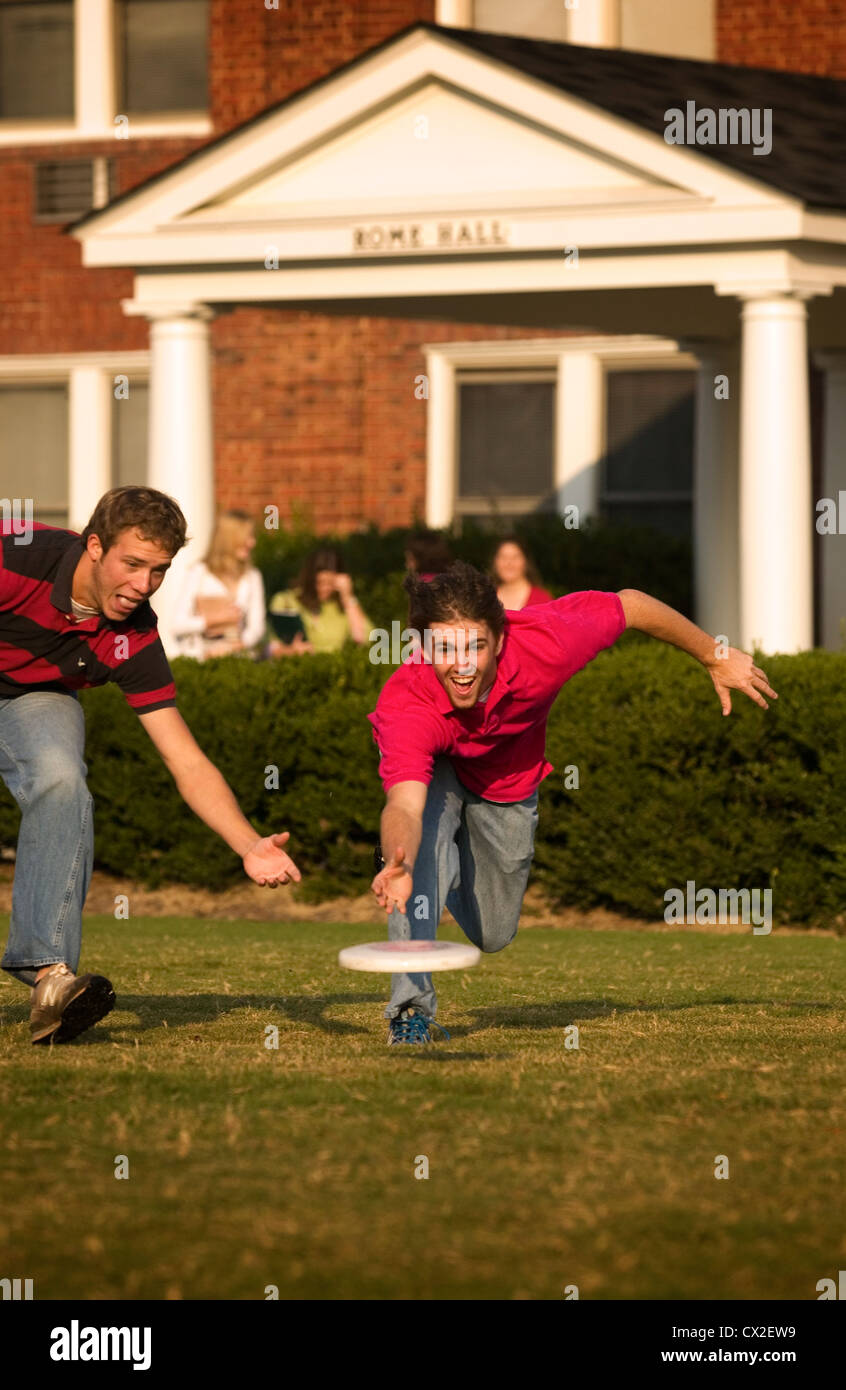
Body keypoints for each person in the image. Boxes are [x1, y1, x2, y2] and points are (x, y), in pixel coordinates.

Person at [368, 561, 777, 1045]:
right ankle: (410, 1013)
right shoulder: (407, 705)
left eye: (476, 646)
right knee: (416, 861)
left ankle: (446, 871)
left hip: (506, 783)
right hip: (439, 768)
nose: (462, 665)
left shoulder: (549, 641)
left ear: (499, 640)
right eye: (445, 649)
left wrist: (713, 653)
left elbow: (633, 605)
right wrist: (398, 860)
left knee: (495, 933)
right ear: (423, 646)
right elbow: (405, 807)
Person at [0, 486, 300, 1047]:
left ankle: (48, 980)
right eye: (132, 564)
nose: (143, 585)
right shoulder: (18, 559)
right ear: (94, 547)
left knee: (63, 782)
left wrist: (247, 844)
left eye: (158, 570)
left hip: (34, 697)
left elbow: (183, 758)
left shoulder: (132, 636)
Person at [171, 510, 266, 660]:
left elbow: (257, 628)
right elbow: (178, 624)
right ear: (229, 539)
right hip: (199, 660)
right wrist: (215, 620)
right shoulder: (199, 572)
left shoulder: (253, 576)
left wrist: (236, 645)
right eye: (247, 537)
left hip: (239, 660)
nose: (252, 542)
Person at [267, 547, 370, 656]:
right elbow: (268, 647)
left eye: (330, 583)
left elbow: (363, 639)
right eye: (319, 582)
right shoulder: (285, 600)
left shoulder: (341, 606)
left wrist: (348, 597)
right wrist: (291, 651)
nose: (324, 588)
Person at [492, 536, 551, 609]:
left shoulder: (542, 600)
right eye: (503, 557)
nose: (508, 563)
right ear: (495, 562)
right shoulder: (486, 598)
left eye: (515, 557)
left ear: (526, 562)